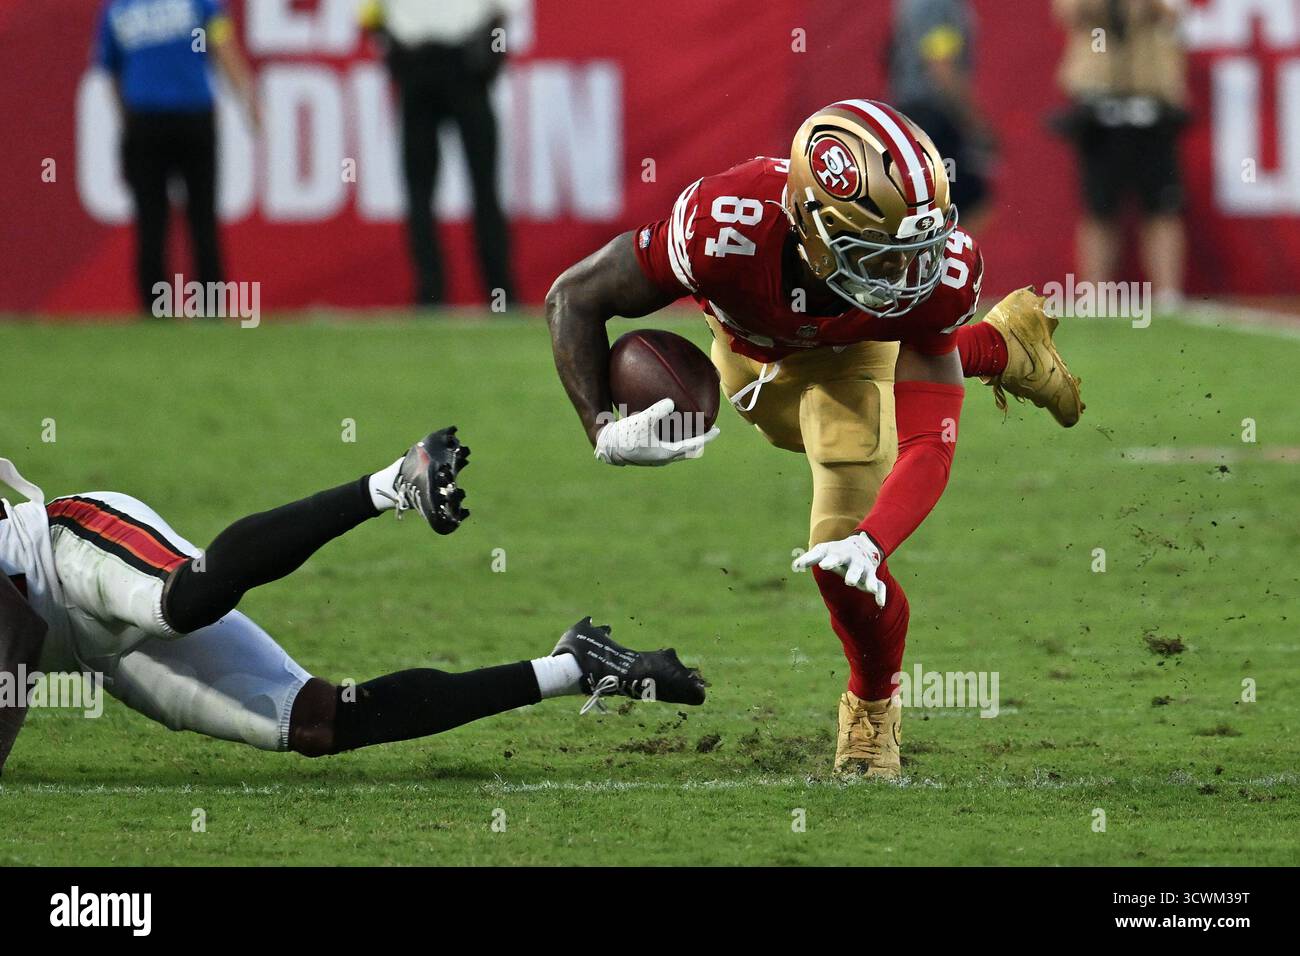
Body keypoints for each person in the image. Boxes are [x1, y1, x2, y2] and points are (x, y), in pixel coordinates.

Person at [546, 99, 1083, 778]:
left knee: (838, 558)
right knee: (794, 417)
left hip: (852, 362)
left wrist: (872, 542)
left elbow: (929, 441)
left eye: (916, 251)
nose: (907, 276)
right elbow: (573, 297)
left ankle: (872, 710)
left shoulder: (935, 278)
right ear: (811, 226)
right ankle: (1006, 345)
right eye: (878, 256)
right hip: (748, 358)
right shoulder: (724, 227)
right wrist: (601, 428)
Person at [0, 431, 705, 775]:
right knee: (316, 723)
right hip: (79, 647)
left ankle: (394, 480)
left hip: (61, 553)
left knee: (175, 600)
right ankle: (577, 667)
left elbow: (14, 630)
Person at [95, 0, 259, 314]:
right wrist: (248, 101)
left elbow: (113, 74)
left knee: (151, 221)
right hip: (194, 119)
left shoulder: (120, 9)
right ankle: (210, 308)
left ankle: (156, 309)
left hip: (145, 120)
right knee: (202, 217)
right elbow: (224, 49)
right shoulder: (199, 3)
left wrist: (127, 126)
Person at [361, 0, 520, 307]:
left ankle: (469, 294)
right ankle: (464, 294)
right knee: (444, 188)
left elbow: (368, 15)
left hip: (453, 60)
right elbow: (503, 11)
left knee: (454, 188)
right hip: (438, 61)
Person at [1052, 0, 1188, 310]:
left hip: (1152, 104)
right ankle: (1095, 294)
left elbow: (1174, 15)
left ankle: (1168, 295)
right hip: (1099, 106)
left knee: (1162, 206)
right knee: (1098, 208)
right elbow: (1071, 13)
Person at [889, 0, 995, 235]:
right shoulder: (936, 4)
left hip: (917, 119)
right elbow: (942, 66)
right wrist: (976, 124)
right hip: (933, 120)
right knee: (963, 209)